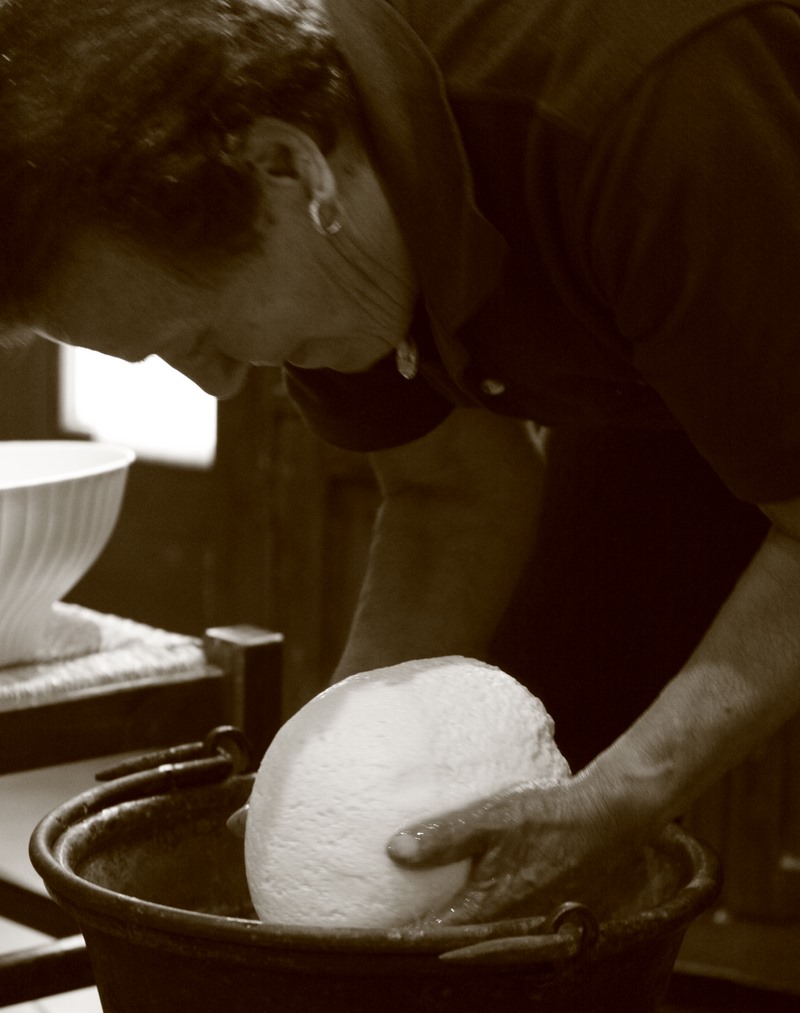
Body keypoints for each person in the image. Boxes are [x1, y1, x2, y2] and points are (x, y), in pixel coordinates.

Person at [3, 0, 800, 923]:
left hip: (733, 223)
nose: (220, 383)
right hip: (636, 364)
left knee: (617, 795)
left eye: (201, 333)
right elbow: (447, 492)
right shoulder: (328, 224)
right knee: (523, 811)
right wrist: (328, 773)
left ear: (286, 168)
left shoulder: (649, 107)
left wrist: (634, 788)